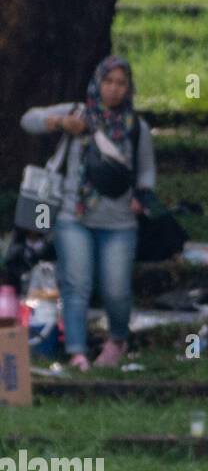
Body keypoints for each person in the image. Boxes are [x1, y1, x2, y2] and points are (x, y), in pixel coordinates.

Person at [20, 55, 156, 370]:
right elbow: (28, 119)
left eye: (121, 83)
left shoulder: (136, 128)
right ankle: (77, 351)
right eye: (108, 81)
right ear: (97, 82)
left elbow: (147, 172)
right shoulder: (77, 113)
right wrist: (60, 123)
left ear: (129, 88)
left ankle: (117, 340)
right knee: (76, 284)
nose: (113, 89)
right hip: (74, 216)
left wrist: (141, 198)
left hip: (119, 222)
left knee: (116, 289)